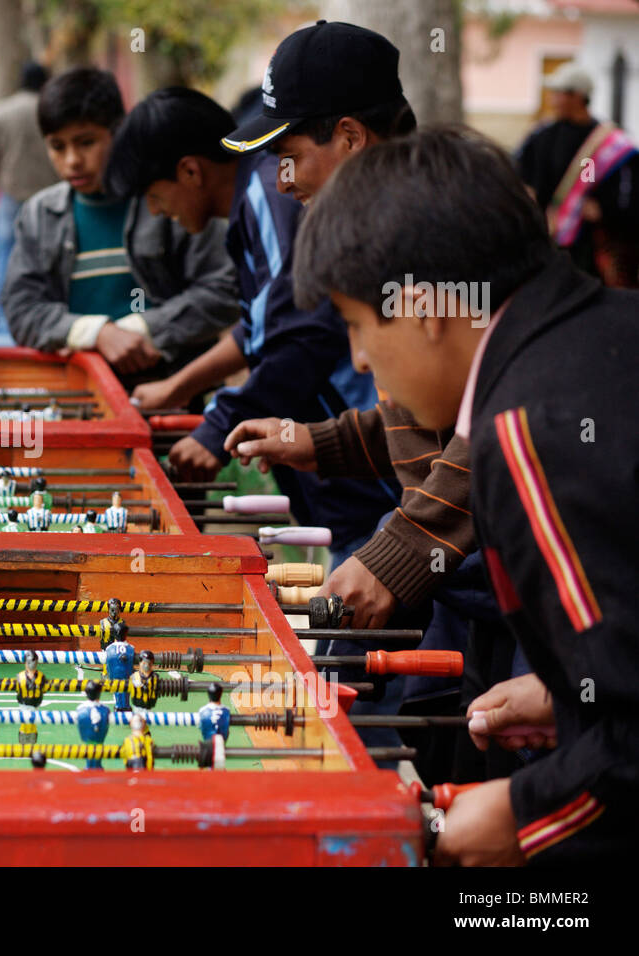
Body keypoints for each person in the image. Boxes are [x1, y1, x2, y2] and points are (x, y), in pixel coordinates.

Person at [292, 125, 639, 865]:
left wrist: (521, 813)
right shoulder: (609, 327)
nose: (358, 357)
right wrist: (567, 692)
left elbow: (631, 749)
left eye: (357, 325)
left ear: (423, 308)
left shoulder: (525, 436)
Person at [217, 20, 493, 776]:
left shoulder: (442, 233)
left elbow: (500, 426)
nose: (282, 178)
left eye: (292, 154)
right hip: (457, 582)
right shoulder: (392, 231)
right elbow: (429, 415)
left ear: (349, 136)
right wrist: (325, 441)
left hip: (499, 586)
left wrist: (398, 552)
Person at [103, 82, 400, 565]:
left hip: (360, 456)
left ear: (191, 171)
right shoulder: (253, 200)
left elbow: (303, 332)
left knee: (368, 599)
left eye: (154, 197)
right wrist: (178, 386)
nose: (158, 211)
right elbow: (261, 326)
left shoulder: (266, 194)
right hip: (335, 455)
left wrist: (217, 425)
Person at [3, 67, 239, 385]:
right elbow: (21, 308)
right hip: (79, 393)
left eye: (86, 143)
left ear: (118, 132)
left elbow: (223, 289)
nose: (72, 160)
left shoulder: (173, 199)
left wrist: (143, 330)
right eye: (58, 147)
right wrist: (96, 332)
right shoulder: (39, 215)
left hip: (174, 389)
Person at [514, 62, 639, 288]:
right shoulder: (542, 136)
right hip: (547, 237)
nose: (553, 99)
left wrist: (604, 209)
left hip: (590, 244)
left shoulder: (603, 142)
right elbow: (522, 171)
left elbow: (617, 186)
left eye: (559, 93)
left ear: (578, 97)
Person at [0, 62, 58, 306]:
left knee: (6, 255)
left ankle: (5, 310)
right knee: (48, 256)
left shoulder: (2, 112)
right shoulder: (51, 111)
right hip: (50, 194)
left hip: (11, 193)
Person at [75, 679, 111, 769]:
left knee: (90, 753)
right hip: (99, 739)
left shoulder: (80, 709)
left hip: (87, 738)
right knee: (97, 754)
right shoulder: (105, 710)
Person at [15, 649, 46, 743]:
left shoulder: (41, 676)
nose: (32, 664)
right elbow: (18, 690)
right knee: (24, 722)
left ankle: (32, 739)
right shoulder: (20, 676)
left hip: (35, 703)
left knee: (33, 722)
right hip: (24, 703)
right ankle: (23, 739)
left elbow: (43, 690)